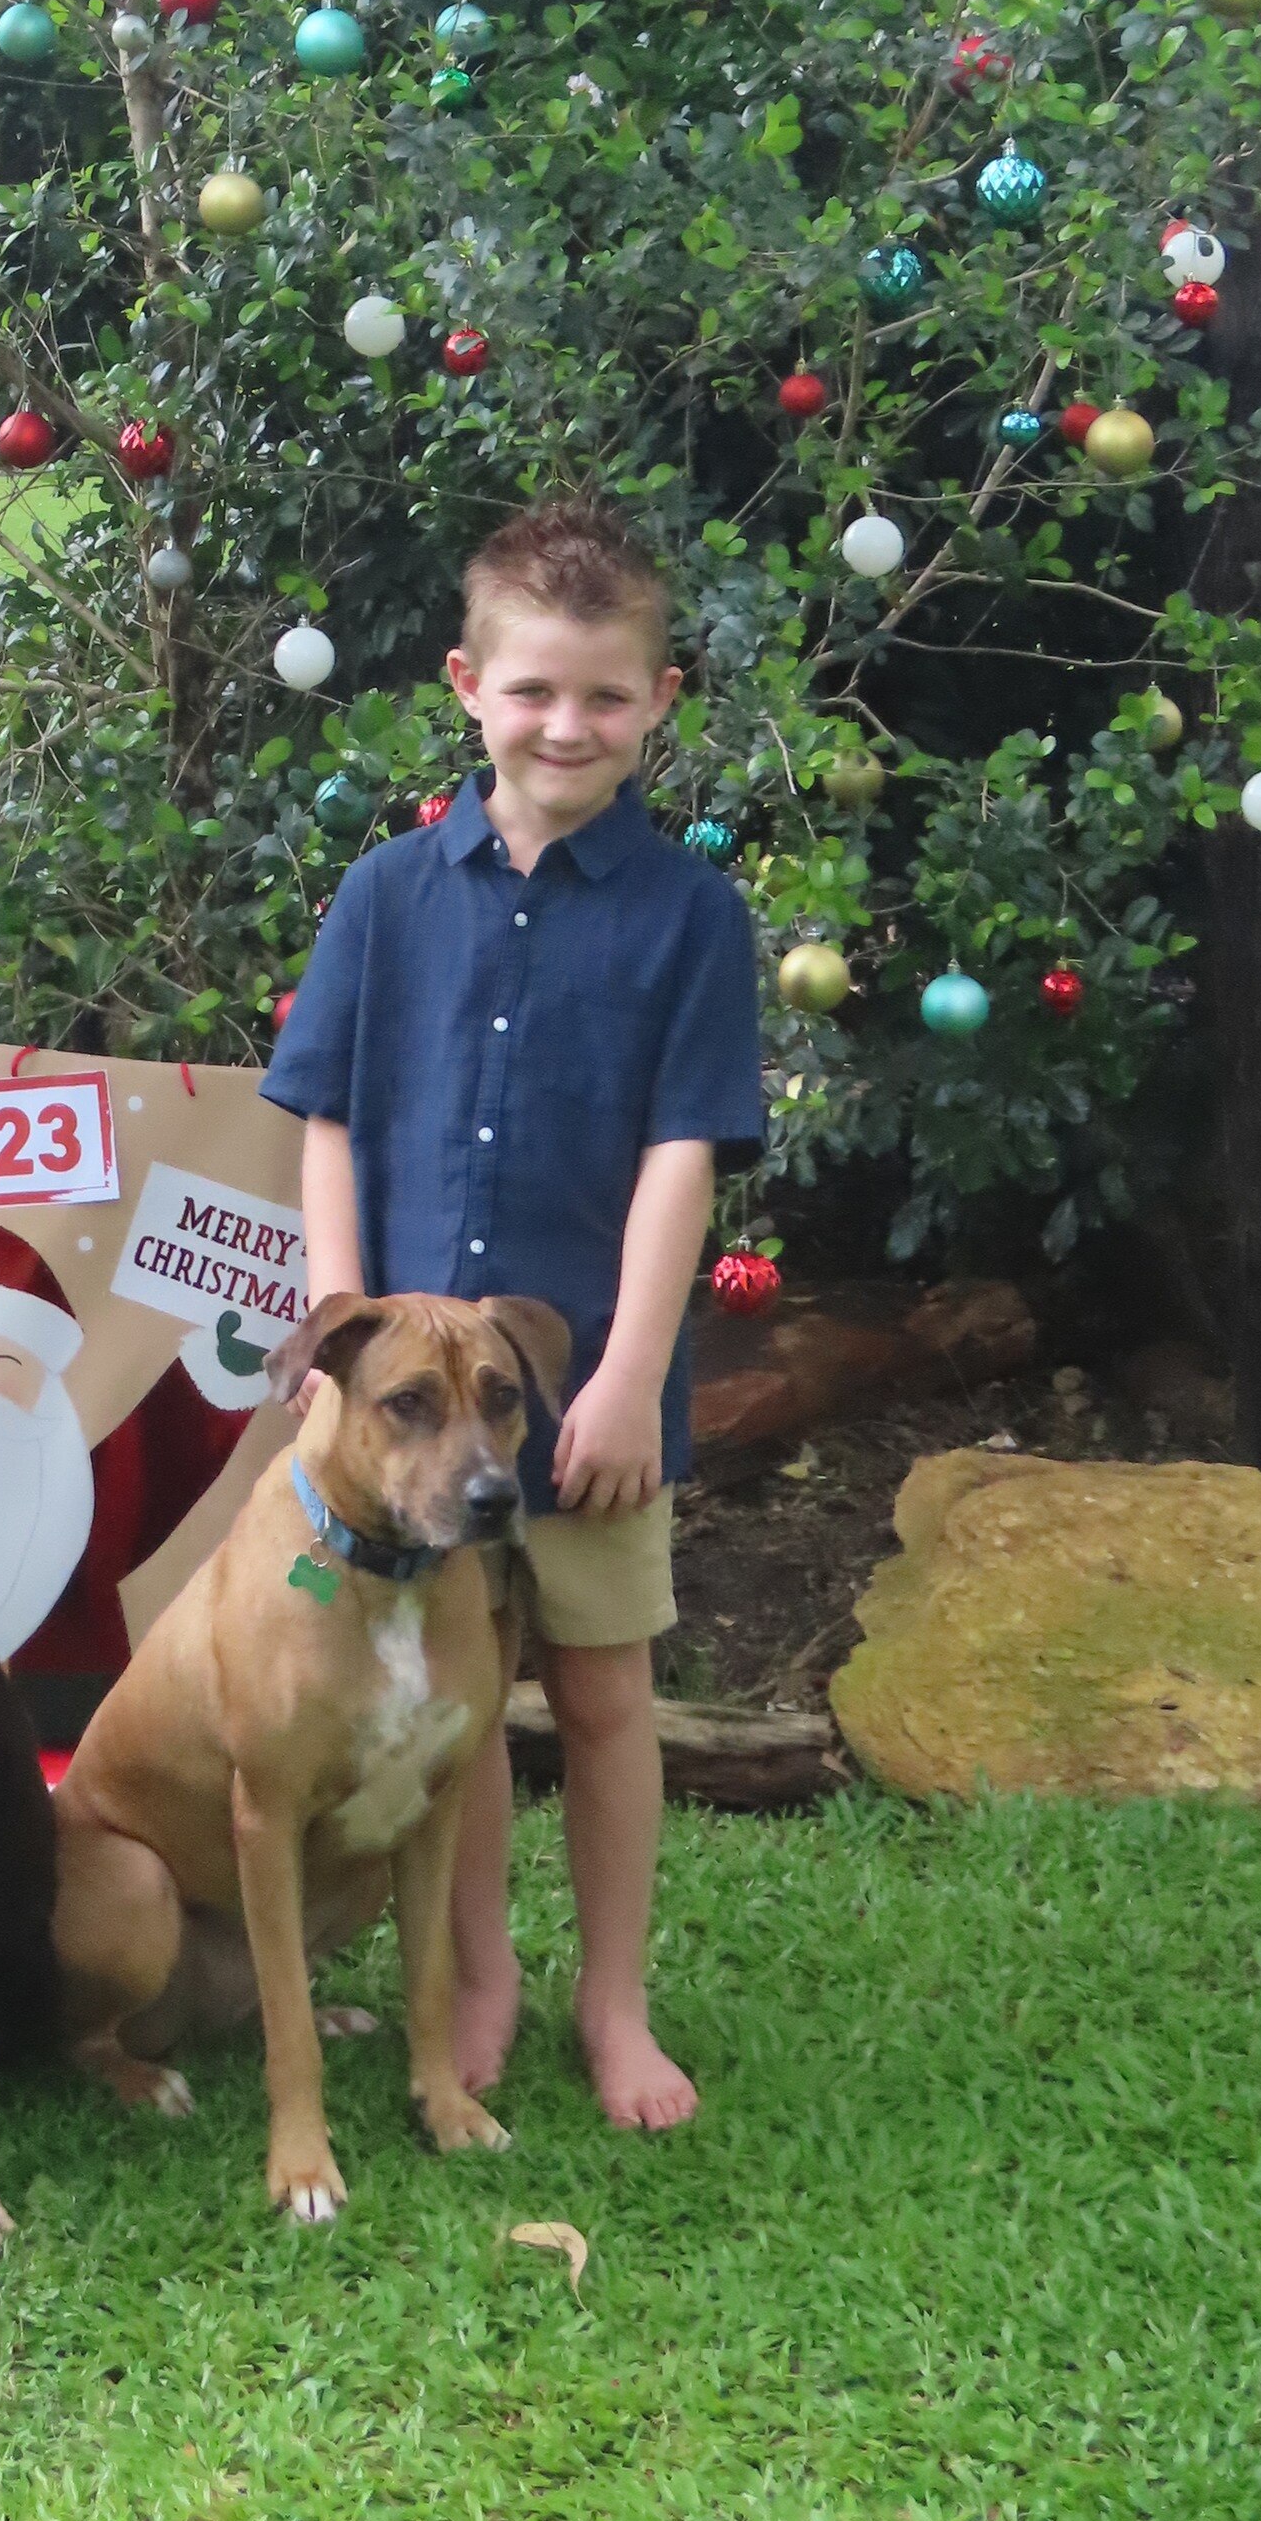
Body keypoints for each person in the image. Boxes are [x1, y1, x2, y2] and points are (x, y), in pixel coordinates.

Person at [259, 496, 764, 2130]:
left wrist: (619, 1379)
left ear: (660, 701)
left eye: (606, 697)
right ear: (470, 683)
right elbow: (326, 1119)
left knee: (607, 1697)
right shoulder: (388, 896)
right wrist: (344, 1345)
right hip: (410, 1424)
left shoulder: (692, 920)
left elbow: (685, 1157)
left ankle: (612, 2006)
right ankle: (479, 1976)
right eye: (536, 691)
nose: (569, 726)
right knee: (456, 1710)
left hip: (592, 1401)